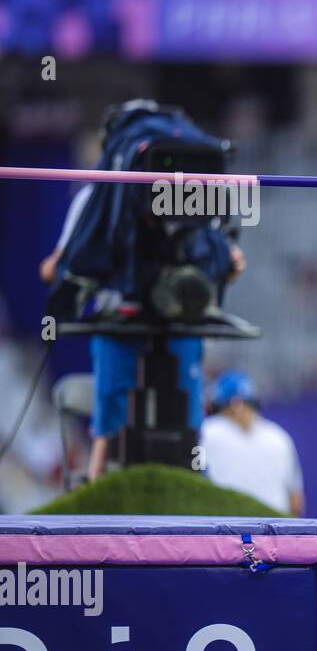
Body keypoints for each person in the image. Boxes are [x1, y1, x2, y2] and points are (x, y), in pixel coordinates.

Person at [40, 184, 245, 481]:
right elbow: (57, 267)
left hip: (180, 325)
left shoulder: (190, 192)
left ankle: (191, 494)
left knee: (185, 427)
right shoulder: (98, 197)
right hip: (120, 328)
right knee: (110, 431)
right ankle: (98, 489)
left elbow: (223, 260)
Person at [198, 371, 304, 515]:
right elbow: (296, 502)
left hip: (224, 531)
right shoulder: (279, 437)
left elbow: (192, 483)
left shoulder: (206, 431)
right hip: (274, 530)